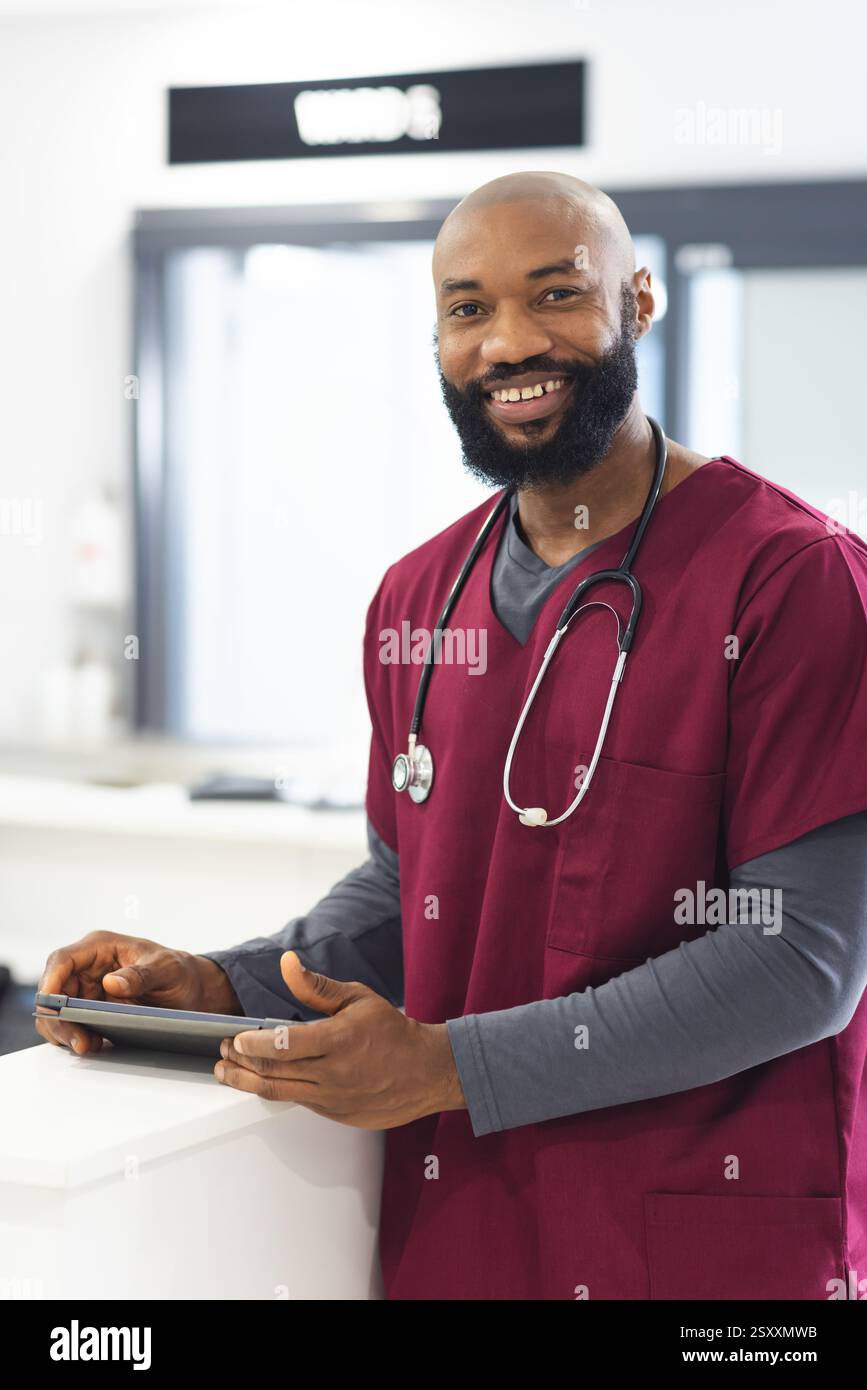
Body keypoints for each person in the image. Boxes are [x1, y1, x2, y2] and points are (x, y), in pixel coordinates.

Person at [37, 173, 867, 1301]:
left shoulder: (792, 579)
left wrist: (447, 1066)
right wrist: (229, 984)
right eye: (469, 309)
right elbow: (407, 887)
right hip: (466, 1236)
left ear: (640, 300)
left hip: (705, 1259)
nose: (509, 341)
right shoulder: (416, 598)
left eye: (557, 294)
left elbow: (798, 959)